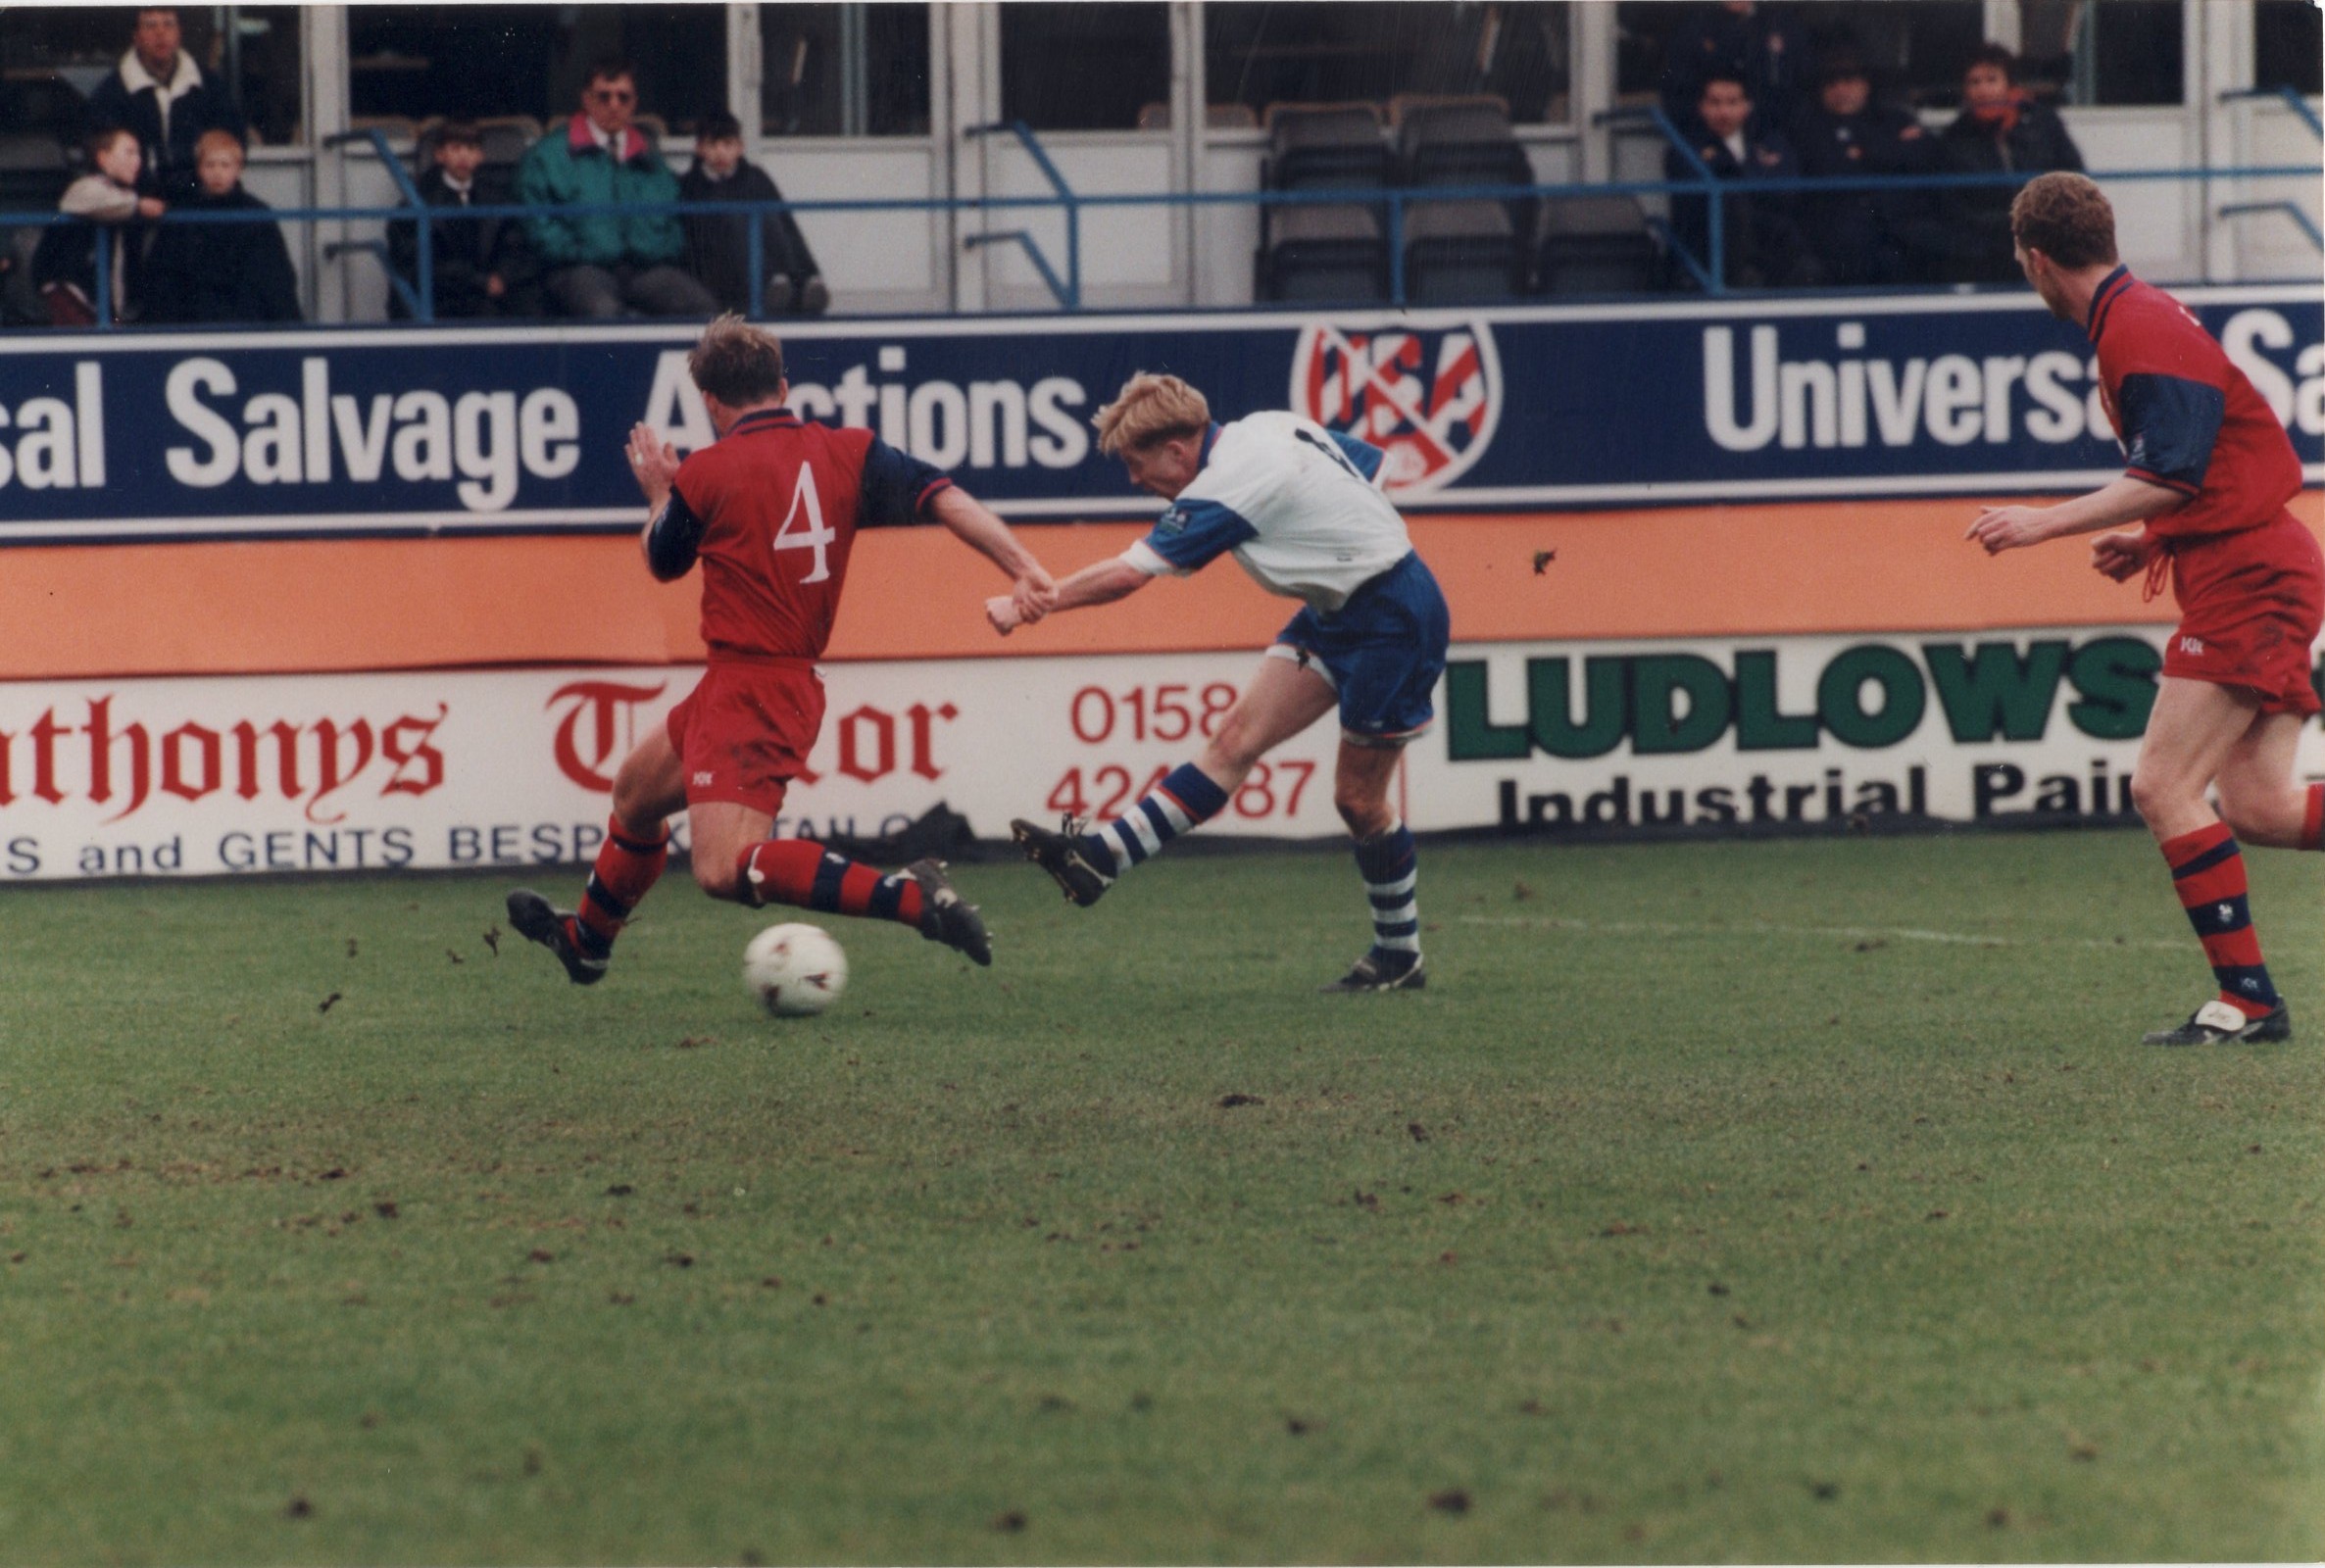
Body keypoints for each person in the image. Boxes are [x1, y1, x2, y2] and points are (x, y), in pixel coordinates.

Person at [507, 316, 1057, 984]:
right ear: (783, 387)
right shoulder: (849, 451)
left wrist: (658, 493)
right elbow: (945, 496)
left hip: (753, 688)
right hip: (749, 683)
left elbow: (662, 560)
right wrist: (1022, 566)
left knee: (722, 869)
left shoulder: (706, 473)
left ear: (711, 403)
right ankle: (587, 940)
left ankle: (911, 899)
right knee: (635, 795)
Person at [1967, 172, 2321, 1047]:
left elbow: (2170, 471)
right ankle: (2249, 1002)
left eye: (2024, 264)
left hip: (2251, 577)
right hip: (2252, 561)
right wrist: (2156, 541)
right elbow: (2204, 465)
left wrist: (2044, 523)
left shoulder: (2137, 327)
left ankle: (2248, 1001)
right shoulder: (2139, 314)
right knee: (2262, 808)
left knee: (2161, 785)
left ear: (2037, 260)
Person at [996, 373, 1452, 994]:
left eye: (1138, 464)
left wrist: (1037, 603)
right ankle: (1098, 860)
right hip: (1336, 609)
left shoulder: (1231, 478)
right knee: (1233, 743)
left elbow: (1130, 576)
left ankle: (1400, 956)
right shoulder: (1267, 425)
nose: (1136, 481)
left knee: (1357, 800)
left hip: (1393, 618)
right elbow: (1370, 469)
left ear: (1178, 451)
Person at [516, 59, 717, 319]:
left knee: (705, 310)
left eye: (623, 97)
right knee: (606, 313)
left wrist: (658, 250)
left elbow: (674, 219)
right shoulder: (547, 156)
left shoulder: (649, 157)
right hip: (579, 271)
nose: (614, 105)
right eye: (604, 96)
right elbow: (537, 223)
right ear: (586, 99)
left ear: (634, 103)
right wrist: (581, 252)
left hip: (644, 271)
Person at [1788, 50, 1941, 286]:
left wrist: (1867, 152)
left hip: (1895, 236)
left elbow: (1925, 153)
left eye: (1849, 81)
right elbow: (1828, 168)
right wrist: (1890, 150)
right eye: (1831, 83)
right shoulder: (1808, 129)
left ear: (1865, 85)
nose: (1840, 90)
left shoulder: (1893, 119)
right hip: (1835, 244)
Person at [1936, 44, 2084, 284]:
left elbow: (2073, 177)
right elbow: (1956, 207)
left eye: (1991, 79)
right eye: (1974, 82)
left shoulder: (2043, 123)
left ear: (2009, 84)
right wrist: (2008, 226)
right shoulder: (1956, 138)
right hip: (1990, 251)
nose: (1983, 90)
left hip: (2047, 243)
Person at [1663, 69, 1821, 289]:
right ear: (1701, 107)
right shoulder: (1684, 149)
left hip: (1769, 243)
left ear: (1747, 106)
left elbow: (1787, 190)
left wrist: (1733, 173)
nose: (1724, 112)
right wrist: (1752, 177)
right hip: (1712, 248)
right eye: (1715, 103)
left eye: (1732, 102)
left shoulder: (1770, 143)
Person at [82, 8, 248, 198]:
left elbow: (234, 140)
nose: (160, 33)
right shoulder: (111, 92)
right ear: (136, 37)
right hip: (137, 203)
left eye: (168, 24)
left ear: (179, 33)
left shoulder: (209, 86)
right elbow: (98, 150)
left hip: (203, 199)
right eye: (150, 25)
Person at [140, 129, 300, 324]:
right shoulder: (182, 213)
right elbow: (163, 277)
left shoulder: (257, 214)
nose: (217, 172)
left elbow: (276, 277)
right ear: (199, 169)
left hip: (246, 320)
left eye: (225, 165)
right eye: (210, 165)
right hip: (194, 320)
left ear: (238, 169)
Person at [678, 112, 828, 317]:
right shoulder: (691, 186)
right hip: (720, 273)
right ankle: (772, 288)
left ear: (740, 147)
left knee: (767, 215)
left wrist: (812, 273)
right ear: (699, 148)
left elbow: (787, 226)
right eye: (713, 144)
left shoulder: (755, 178)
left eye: (728, 144)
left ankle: (802, 285)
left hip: (766, 267)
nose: (721, 152)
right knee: (742, 217)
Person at [388, 121, 537, 319]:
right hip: (445, 295)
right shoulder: (417, 203)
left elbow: (517, 243)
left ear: (481, 155)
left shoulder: (497, 197)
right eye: (455, 148)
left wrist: (503, 276)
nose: (464, 155)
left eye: (471, 148)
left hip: (490, 289)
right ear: (440, 155)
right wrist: (480, 281)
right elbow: (422, 263)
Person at [31, 125, 165, 326]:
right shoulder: (84, 186)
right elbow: (91, 199)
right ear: (103, 158)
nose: (137, 160)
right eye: (129, 152)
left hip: (99, 299)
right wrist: (137, 204)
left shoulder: (122, 192)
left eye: (138, 153)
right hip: (70, 292)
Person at [1658, 1, 1813, 135]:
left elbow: (1802, 85)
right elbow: (1677, 92)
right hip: (1708, 140)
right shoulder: (1693, 28)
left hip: (1775, 138)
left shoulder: (1783, 25)